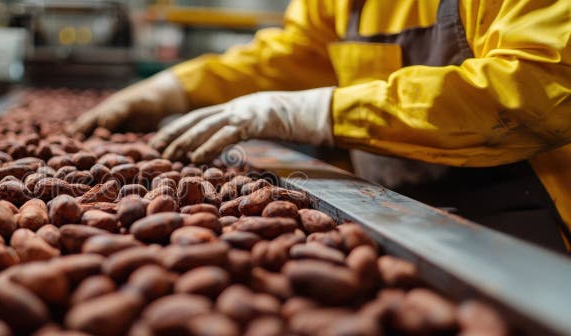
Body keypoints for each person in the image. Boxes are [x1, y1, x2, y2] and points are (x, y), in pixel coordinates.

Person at [69, 0, 571, 250]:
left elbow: (540, 82)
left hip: (538, 231)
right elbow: (296, 53)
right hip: (404, 219)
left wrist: (319, 113)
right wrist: (177, 87)